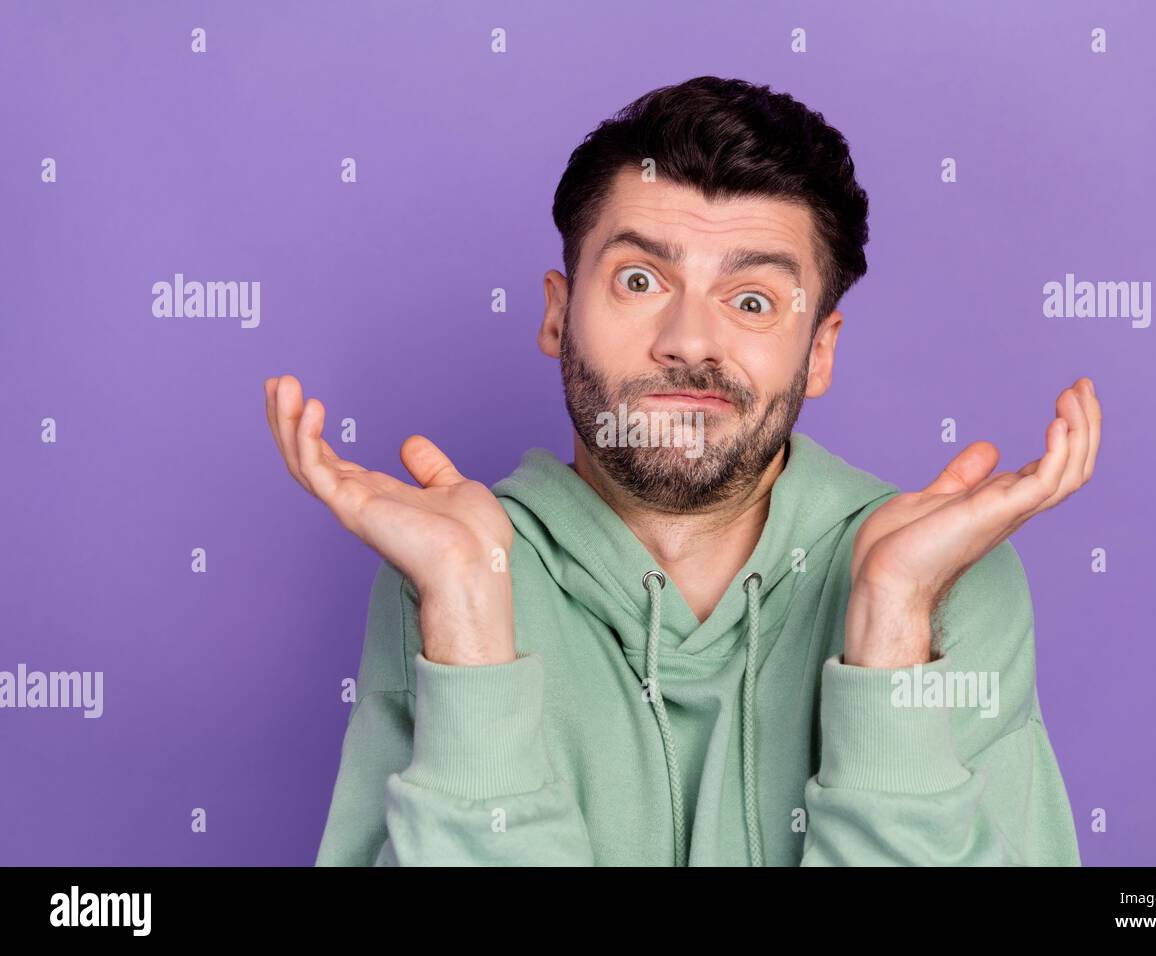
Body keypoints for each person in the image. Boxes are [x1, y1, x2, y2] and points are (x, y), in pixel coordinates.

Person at [264, 75, 1099, 866]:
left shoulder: (944, 577)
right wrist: (470, 628)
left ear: (819, 353)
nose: (691, 340)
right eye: (639, 279)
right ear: (559, 313)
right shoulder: (448, 570)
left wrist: (890, 620)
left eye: (752, 302)